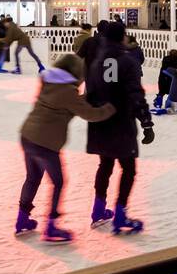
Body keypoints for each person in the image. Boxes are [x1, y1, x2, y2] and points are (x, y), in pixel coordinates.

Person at [15, 53, 115, 243]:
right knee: (59, 182)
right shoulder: (68, 92)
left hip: (27, 136)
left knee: (32, 178)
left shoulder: (49, 81)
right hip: (45, 144)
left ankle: (22, 220)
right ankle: (51, 227)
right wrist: (111, 108)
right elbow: (90, 114)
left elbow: (71, 103)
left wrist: (86, 96)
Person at [83, 19, 154, 234]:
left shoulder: (96, 62)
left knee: (105, 166)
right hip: (122, 122)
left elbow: (91, 93)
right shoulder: (127, 61)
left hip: (101, 123)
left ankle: (98, 210)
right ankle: (120, 214)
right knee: (129, 169)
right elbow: (135, 94)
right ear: (122, 37)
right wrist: (146, 121)